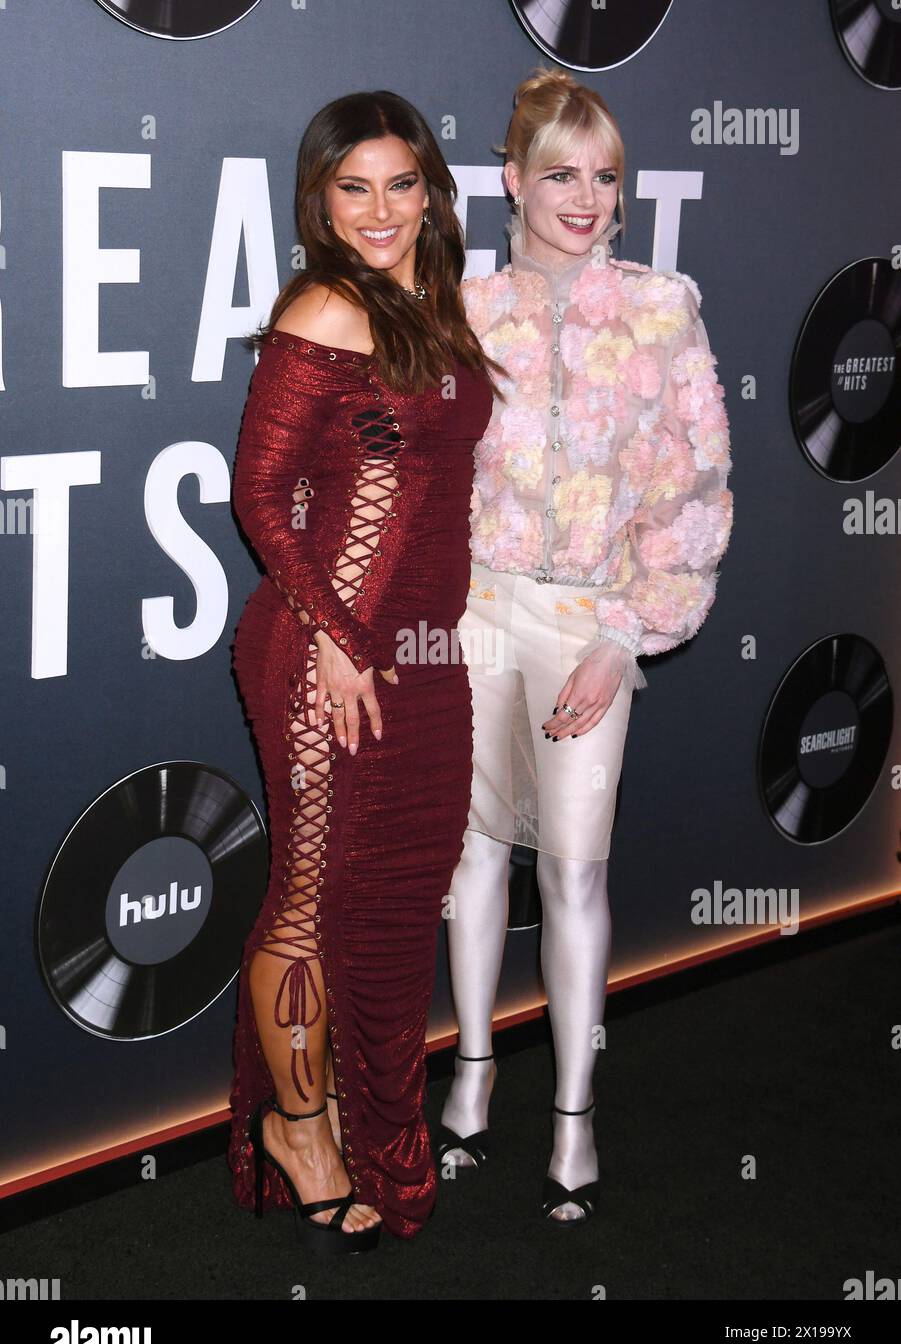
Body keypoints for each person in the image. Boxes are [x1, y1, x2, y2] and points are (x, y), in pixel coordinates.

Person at [437, 68, 734, 1223]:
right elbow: (428, 491)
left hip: (587, 628)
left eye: (604, 175)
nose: (585, 196)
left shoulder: (664, 307)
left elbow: (694, 492)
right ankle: (469, 1074)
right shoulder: (463, 314)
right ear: (510, 180)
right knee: (468, 855)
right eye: (559, 172)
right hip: (468, 618)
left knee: (571, 866)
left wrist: (625, 636)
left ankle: (572, 1113)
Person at [227, 90, 496, 1251]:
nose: (380, 208)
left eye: (400, 182)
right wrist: (337, 635)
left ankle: (350, 1110)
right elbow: (260, 499)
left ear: (430, 188)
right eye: (354, 187)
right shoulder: (330, 306)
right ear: (319, 203)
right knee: (308, 893)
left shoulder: (429, 303)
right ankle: (300, 1127)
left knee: (381, 902)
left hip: (418, 656)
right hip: (324, 651)